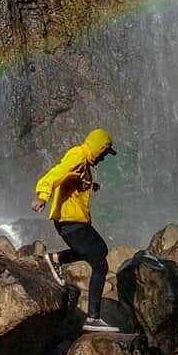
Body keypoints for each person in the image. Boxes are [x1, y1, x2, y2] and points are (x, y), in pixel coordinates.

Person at [31, 127, 120, 332]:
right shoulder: (78, 155)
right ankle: (93, 318)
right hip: (71, 222)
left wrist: (89, 186)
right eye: (104, 154)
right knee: (100, 264)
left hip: (75, 222)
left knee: (100, 251)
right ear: (99, 148)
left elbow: (72, 181)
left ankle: (55, 259)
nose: (104, 159)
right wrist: (42, 195)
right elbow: (56, 173)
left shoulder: (85, 164)